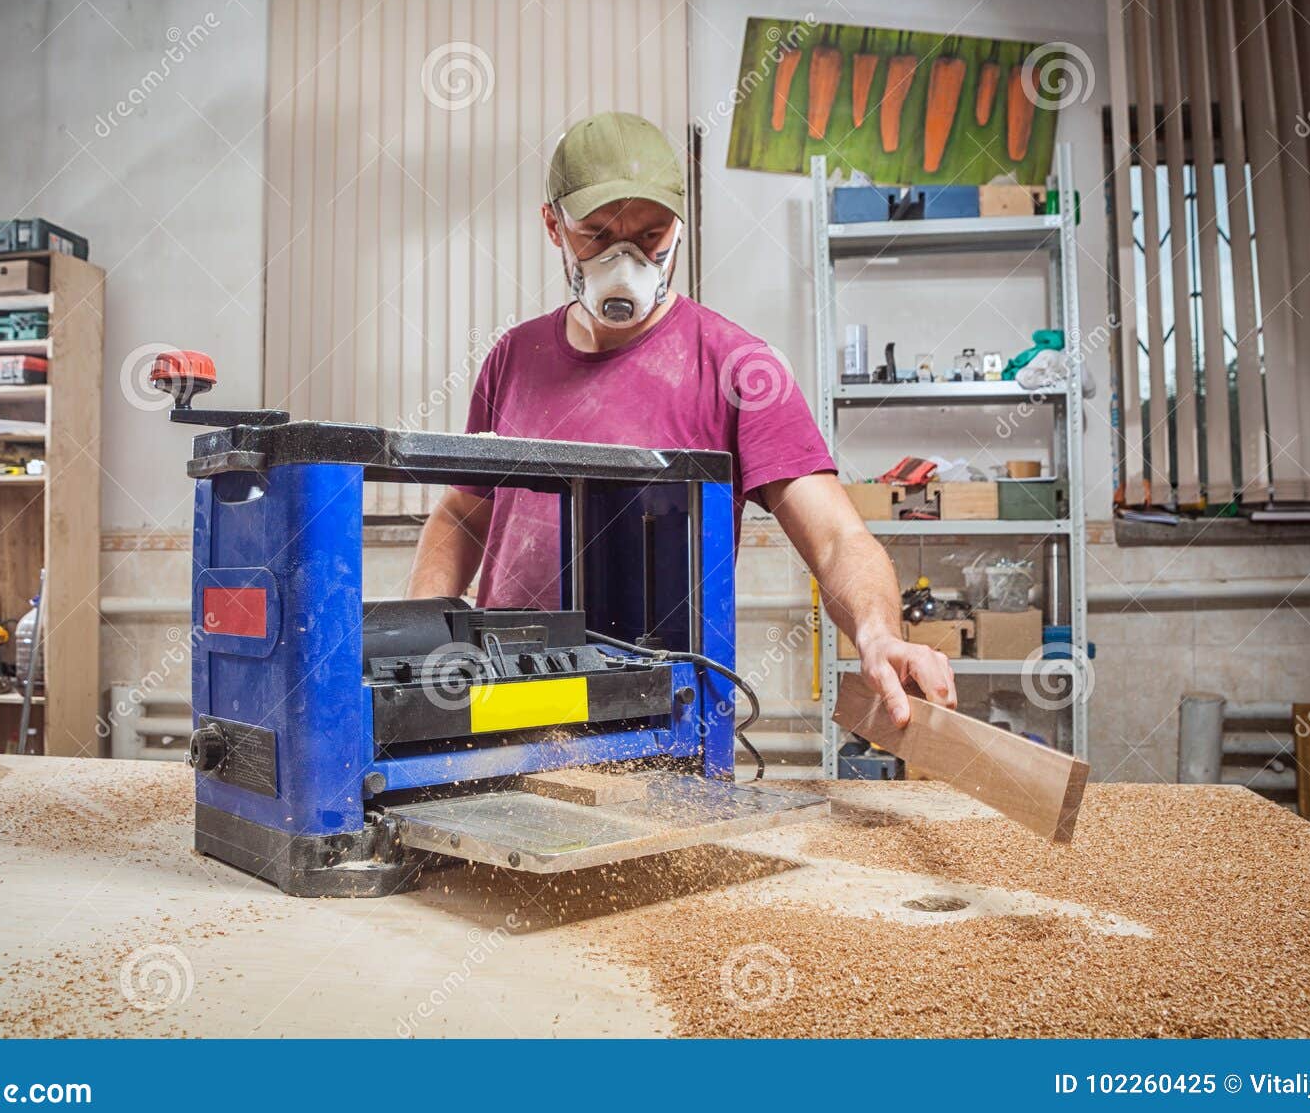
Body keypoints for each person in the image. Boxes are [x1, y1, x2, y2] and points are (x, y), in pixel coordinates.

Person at [408, 111, 954, 725]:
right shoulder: (513, 358)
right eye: (597, 235)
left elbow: (837, 538)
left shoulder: (740, 367)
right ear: (552, 225)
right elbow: (463, 512)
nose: (625, 259)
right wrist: (421, 632)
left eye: (650, 235)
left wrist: (878, 634)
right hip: (504, 703)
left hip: (660, 717)